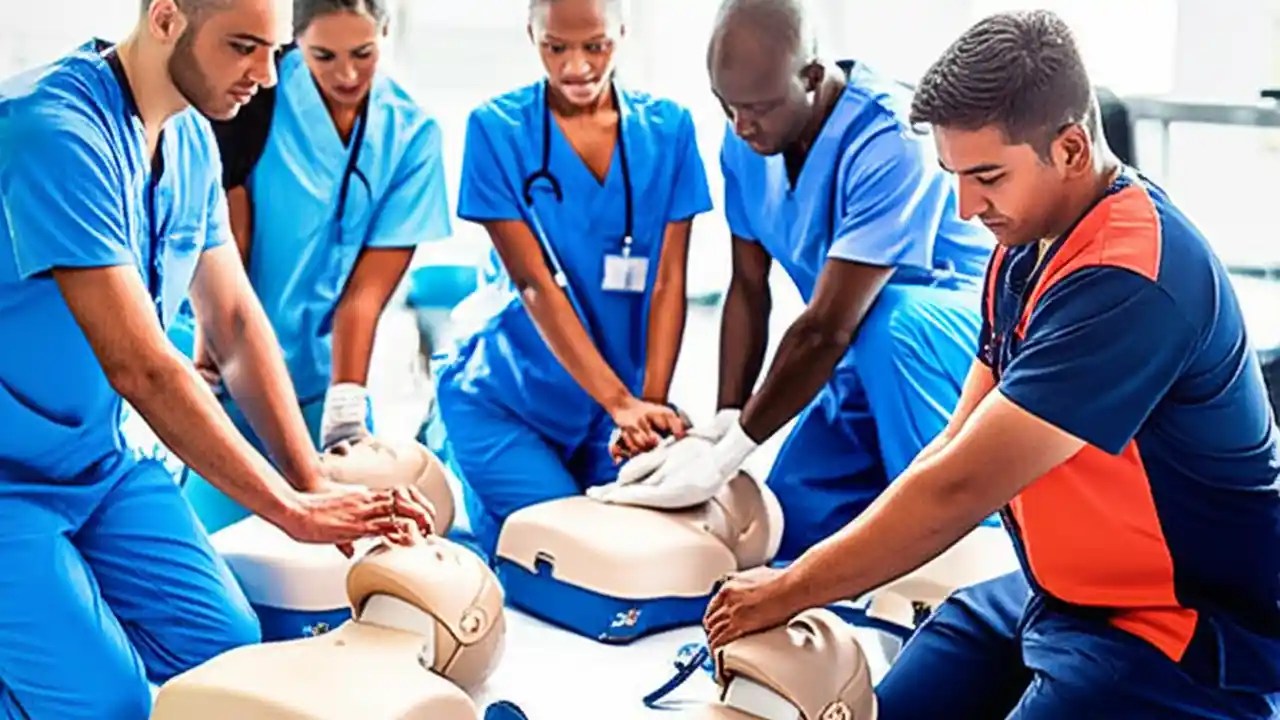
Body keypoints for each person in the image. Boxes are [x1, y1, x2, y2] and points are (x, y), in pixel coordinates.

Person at [702, 10, 1280, 719]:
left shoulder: (1132, 277)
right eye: (954, 175)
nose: (965, 207)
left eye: (986, 177)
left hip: (1179, 631)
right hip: (1059, 595)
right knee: (892, 706)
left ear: (1070, 149)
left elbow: (960, 488)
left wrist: (788, 590)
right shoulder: (1023, 250)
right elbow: (951, 443)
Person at [0, 1, 434, 717]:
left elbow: (230, 320)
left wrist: (311, 480)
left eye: (273, 50)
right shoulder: (54, 132)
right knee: (105, 704)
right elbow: (140, 367)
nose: (266, 76)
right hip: (9, 478)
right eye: (243, 47)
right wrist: (289, 512)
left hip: (96, 463)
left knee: (226, 648)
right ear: (167, 16)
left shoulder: (193, 140)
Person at [589, 0, 995, 562]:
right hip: (853, 353)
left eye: (756, 107)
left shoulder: (892, 138)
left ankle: (970, 550)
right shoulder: (746, 139)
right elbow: (748, 289)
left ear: (812, 77)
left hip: (954, 348)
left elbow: (827, 327)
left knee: (891, 325)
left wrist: (728, 455)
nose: (740, 125)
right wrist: (722, 422)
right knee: (794, 520)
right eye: (725, 105)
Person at [434, 0, 714, 557]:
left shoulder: (670, 129)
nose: (576, 66)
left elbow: (667, 282)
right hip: (508, 397)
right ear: (531, 35)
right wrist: (620, 404)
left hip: (609, 410)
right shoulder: (496, 129)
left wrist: (647, 415)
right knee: (563, 555)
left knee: (644, 548)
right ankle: (451, 451)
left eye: (596, 46)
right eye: (554, 47)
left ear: (623, 33)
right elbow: (534, 284)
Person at [181, 0, 453, 532]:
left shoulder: (413, 135)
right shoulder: (255, 100)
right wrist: (213, 344)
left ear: (386, 33)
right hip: (227, 364)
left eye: (364, 53)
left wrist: (347, 399)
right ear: (293, 41)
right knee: (214, 546)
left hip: (324, 377)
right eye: (324, 55)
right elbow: (228, 239)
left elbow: (364, 297)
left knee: (346, 546)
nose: (347, 74)